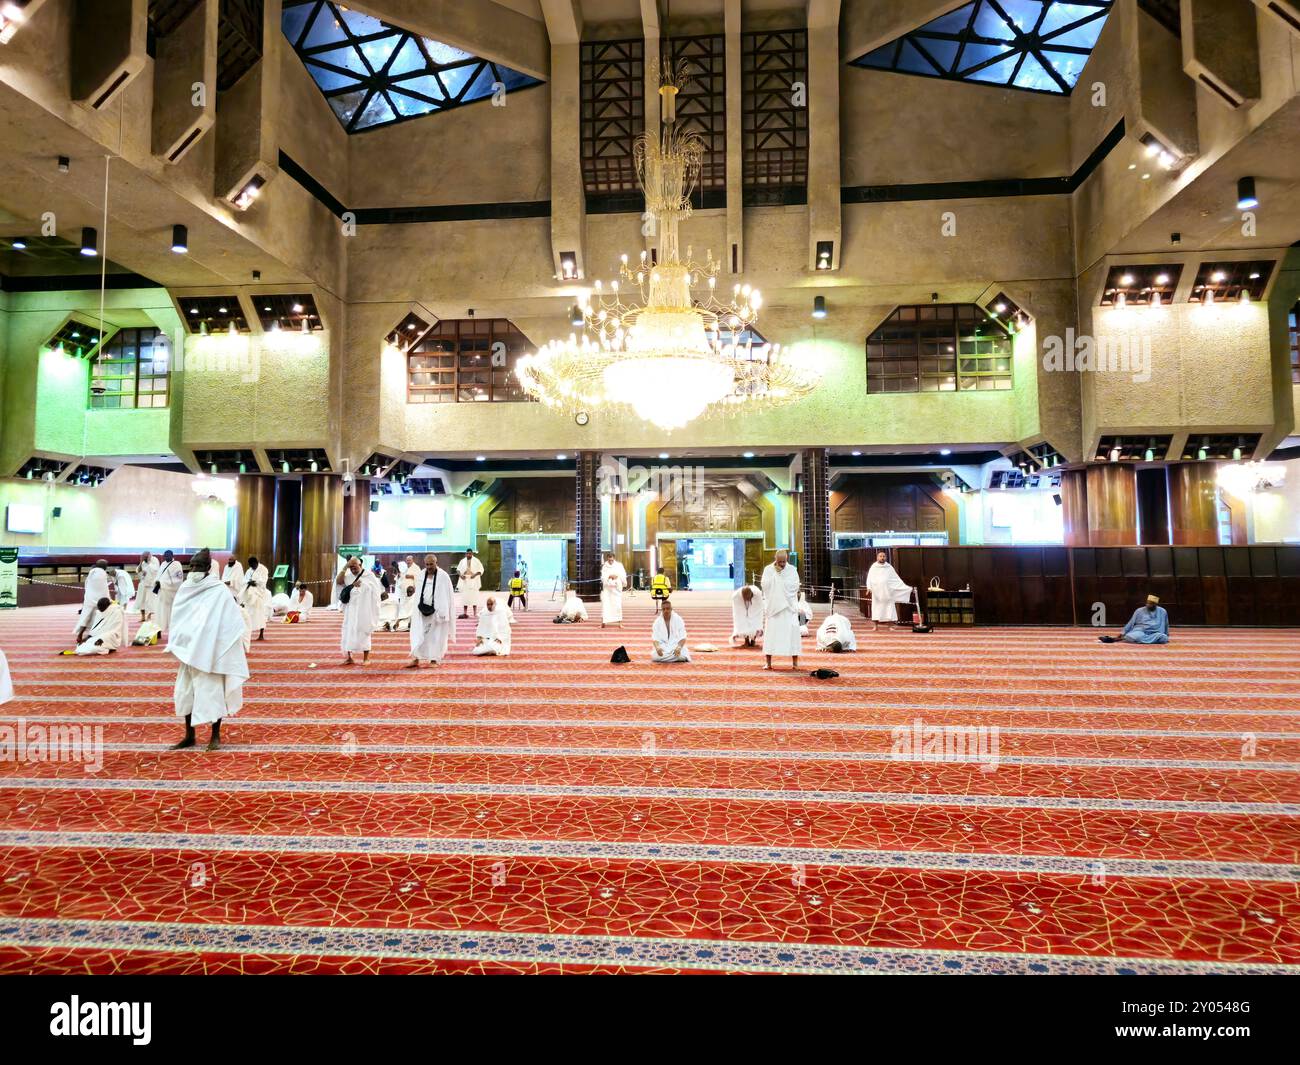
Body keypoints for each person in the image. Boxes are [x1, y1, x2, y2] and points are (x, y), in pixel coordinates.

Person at [166, 548, 248, 751]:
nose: (194, 569)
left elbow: (231, 621)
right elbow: (178, 618)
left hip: (211, 653)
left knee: (212, 695)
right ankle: (189, 736)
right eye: (192, 565)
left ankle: (215, 736)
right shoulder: (186, 588)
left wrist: (213, 640)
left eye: (199, 566)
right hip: (189, 653)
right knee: (185, 694)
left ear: (208, 568)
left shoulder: (219, 590)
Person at [406, 554, 454, 668]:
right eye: (427, 564)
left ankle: (434, 659)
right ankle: (416, 658)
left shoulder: (443, 576)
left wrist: (445, 612)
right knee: (419, 633)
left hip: (437, 612)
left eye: (431, 564)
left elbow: (448, 595)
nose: (429, 567)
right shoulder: (421, 575)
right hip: (422, 610)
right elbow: (418, 594)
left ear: (436, 563)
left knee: (435, 636)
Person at [760, 550, 802, 671]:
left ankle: (795, 663)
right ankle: (768, 663)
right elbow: (765, 585)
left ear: (787, 559)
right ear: (776, 559)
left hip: (788, 608)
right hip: (774, 608)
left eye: (784, 561)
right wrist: (776, 575)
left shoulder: (792, 570)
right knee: (771, 635)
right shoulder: (768, 569)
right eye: (780, 562)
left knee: (792, 634)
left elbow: (794, 586)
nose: (782, 564)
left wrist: (780, 578)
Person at [337, 555, 382, 665]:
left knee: (364, 631)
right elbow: (339, 581)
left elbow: (376, 591)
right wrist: (345, 567)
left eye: (355, 566)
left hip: (364, 608)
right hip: (351, 609)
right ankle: (349, 657)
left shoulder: (369, 575)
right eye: (350, 567)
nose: (353, 569)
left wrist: (363, 585)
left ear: (360, 565)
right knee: (348, 631)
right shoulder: (348, 576)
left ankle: (366, 658)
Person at [866, 550, 913, 631]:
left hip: (888, 592)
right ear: (877, 557)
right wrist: (869, 587)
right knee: (876, 609)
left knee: (889, 609)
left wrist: (906, 588)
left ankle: (890, 626)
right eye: (880, 556)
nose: (882, 558)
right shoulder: (873, 567)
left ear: (886, 557)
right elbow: (869, 578)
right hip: (877, 593)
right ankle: (875, 626)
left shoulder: (889, 567)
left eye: (884, 556)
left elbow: (896, 579)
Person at [1100, 594, 1170, 645]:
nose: (1148, 605)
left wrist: (1166, 634)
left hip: (1155, 633)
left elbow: (1166, 624)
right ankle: (1117, 638)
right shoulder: (1139, 611)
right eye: (1148, 603)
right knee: (1134, 636)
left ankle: (1120, 639)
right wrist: (1122, 633)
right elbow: (1131, 623)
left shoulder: (1162, 611)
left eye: (1151, 604)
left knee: (1163, 638)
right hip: (1141, 632)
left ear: (1155, 604)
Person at [73, 560, 110, 646]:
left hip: (89, 599)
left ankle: (80, 634)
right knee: (100, 618)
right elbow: (104, 588)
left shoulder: (92, 572)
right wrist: (108, 599)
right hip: (100, 600)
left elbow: (87, 584)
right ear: (105, 567)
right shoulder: (103, 574)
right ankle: (94, 636)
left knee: (86, 617)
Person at [240, 556, 271, 641]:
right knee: (248, 614)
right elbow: (244, 580)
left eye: (253, 565)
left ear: (256, 563)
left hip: (259, 594)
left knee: (260, 614)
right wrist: (249, 582)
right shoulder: (249, 570)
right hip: (249, 595)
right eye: (250, 566)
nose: (251, 567)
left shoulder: (263, 569)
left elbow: (264, 580)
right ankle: (247, 634)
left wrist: (255, 582)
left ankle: (261, 634)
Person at [650, 598, 691, 663]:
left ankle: (669, 657)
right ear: (661, 610)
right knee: (655, 657)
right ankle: (673, 658)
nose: (666, 611)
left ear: (671, 609)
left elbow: (683, 636)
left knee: (681, 655)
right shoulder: (657, 622)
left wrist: (679, 647)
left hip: (675, 646)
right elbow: (655, 638)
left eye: (668, 608)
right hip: (663, 647)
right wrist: (657, 648)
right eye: (664, 609)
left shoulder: (678, 619)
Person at [155, 550, 184, 635]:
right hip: (161, 592)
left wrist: (163, 583)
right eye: (165, 556)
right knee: (160, 611)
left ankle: (174, 631)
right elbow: (159, 576)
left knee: (171, 612)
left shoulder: (177, 564)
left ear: (172, 556)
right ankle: (158, 630)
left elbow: (178, 579)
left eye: (168, 555)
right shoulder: (163, 564)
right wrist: (157, 581)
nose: (166, 557)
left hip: (171, 593)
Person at [107, 564, 134, 645]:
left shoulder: (121, 575)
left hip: (124, 588)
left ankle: (124, 609)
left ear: (114, 573)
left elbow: (122, 586)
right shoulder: (114, 574)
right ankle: (120, 608)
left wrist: (120, 591)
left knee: (124, 598)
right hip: (120, 588)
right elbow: (115, 582)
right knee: (119, 599)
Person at [600, 552, 627, 628]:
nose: (611, 561)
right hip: (607, 590)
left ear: (614, 558)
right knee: (606, 606)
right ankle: (603, 623)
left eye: (612, 560)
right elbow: (603, 577)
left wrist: (617, 576)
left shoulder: (619, 565)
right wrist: (609, 576)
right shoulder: (605, 566)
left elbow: (623, 575)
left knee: (618, 606)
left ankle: (620, 623)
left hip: (616, 589)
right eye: (609, 560)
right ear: (607, 559)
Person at [456, 549, 485, 619]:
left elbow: (481, 569)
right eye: (467, 553)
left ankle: (475, 613)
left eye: (470, 553)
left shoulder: (476, 560)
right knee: (465, 597)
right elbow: (458, 570)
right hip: (465, 580)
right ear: (466, 554)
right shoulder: (462, 561)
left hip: (473, 580)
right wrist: (461, 575)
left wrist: (475, 575)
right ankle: (465, 613)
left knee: (474, 597)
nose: (468, 555)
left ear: (472, 554)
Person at [135, 551, 159, 621]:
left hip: (151, 585)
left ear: (149, 555)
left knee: (150, 602)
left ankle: (149, 616)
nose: (144, 558)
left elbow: (156, 569)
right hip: (143, 584)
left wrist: (148, 562)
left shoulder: (154, 560)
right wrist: (140, 561)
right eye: (143, 557)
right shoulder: (143, 562)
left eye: (145, 557)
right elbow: (138, 570)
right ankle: (142, 617)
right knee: (141, 601)